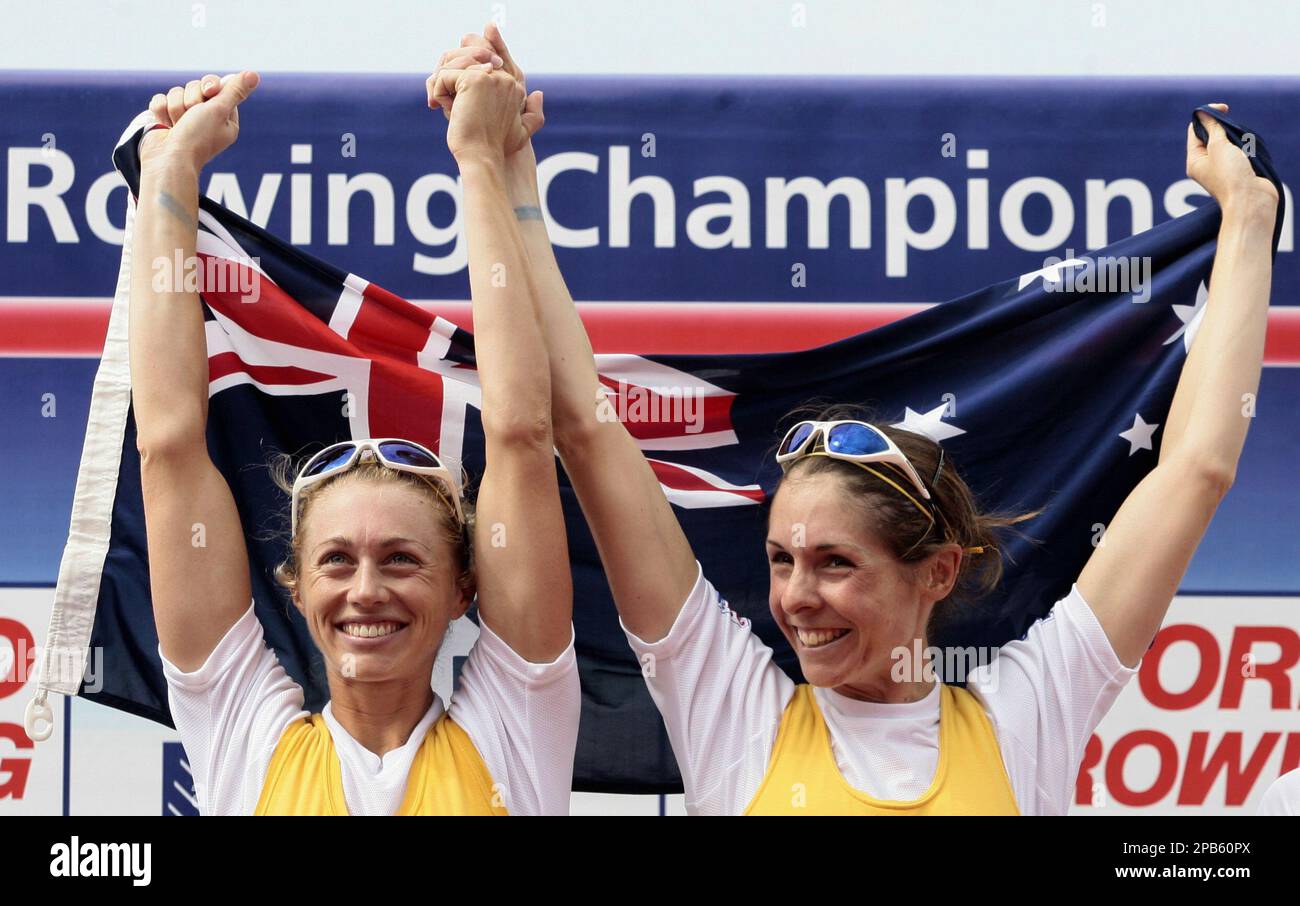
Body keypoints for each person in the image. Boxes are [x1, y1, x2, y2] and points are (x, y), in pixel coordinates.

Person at [438, 29, 1278, 814]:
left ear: (938, 573)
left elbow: (1194, 471)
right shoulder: (733, 713)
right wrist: (510, 169)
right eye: (782, 560)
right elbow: (586, 426)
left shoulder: (1027, 718)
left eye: (835, 563)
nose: (796, 598)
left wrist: (1248, 221)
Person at [133, 61, 577, 814]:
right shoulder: (244, 735)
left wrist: (478, 160)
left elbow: (523, 433)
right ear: (297, 587)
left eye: (402, 559)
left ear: (465, 588)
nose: (366, 590)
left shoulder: (517, 725)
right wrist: (169, 173)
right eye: (337, 560)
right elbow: (169, 441)